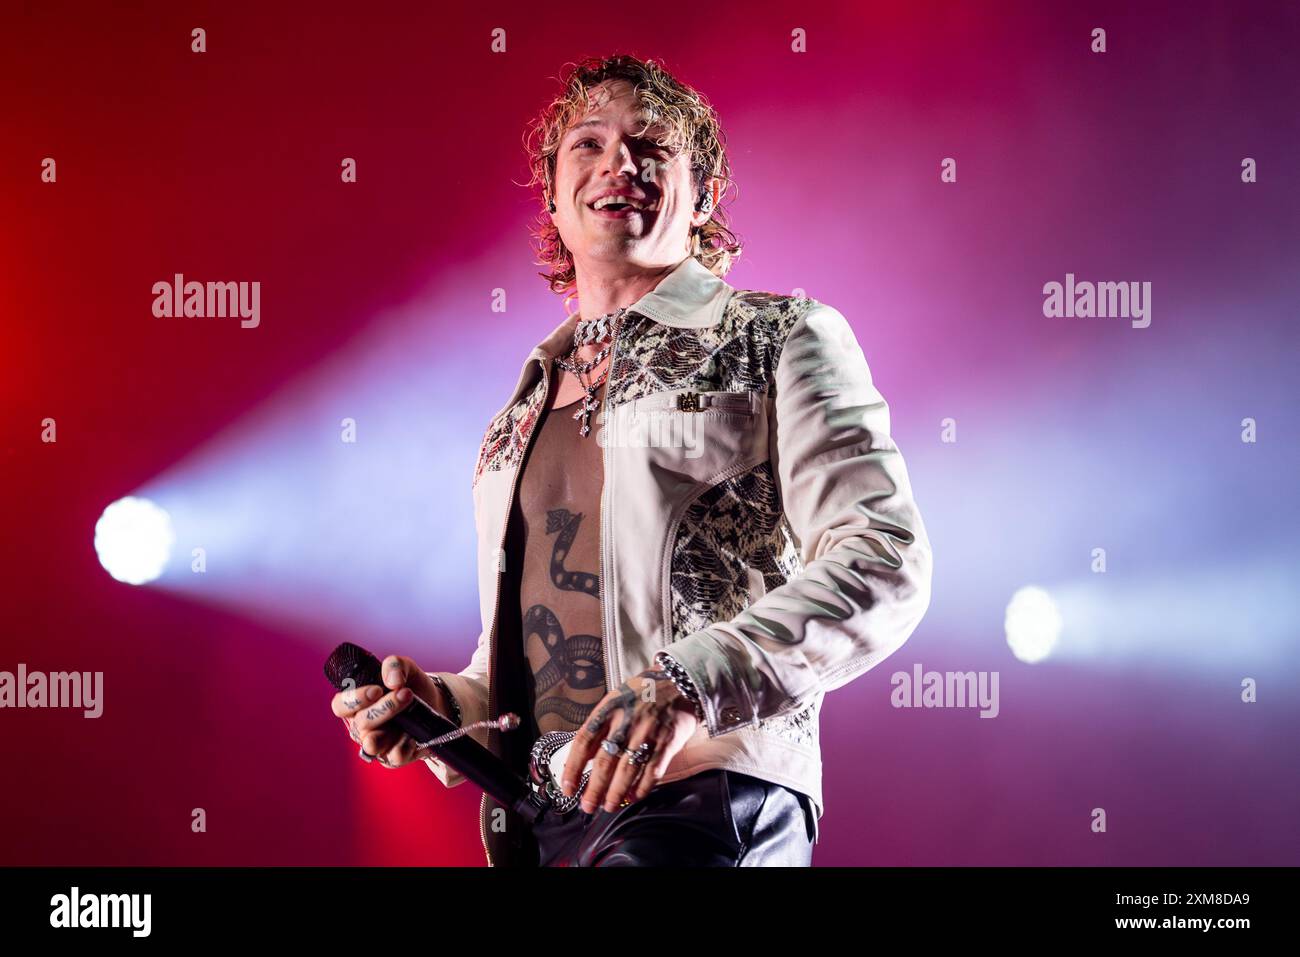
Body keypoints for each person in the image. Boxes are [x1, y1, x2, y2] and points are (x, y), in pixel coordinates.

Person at [330, 53, 933, 867]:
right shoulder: (519, 414)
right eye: (589, 144)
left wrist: (686, 684)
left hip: (708, 794)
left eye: (652, 146)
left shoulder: (777, 337)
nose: (620, 163)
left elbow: (883, 558)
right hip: (539, 827)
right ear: (552, 194)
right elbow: (536, 647)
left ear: (704, 195)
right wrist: (442, 706)